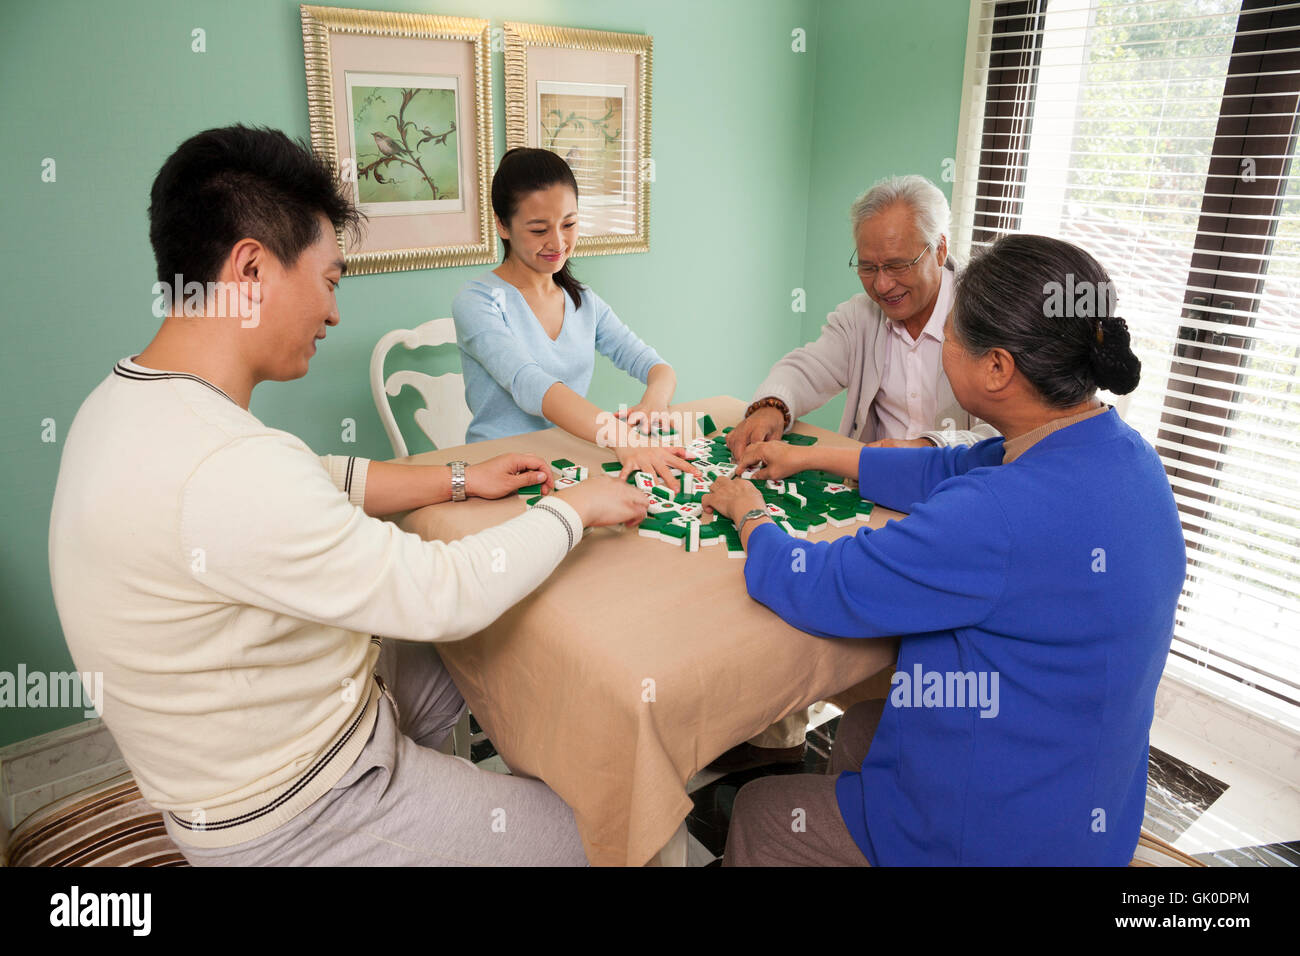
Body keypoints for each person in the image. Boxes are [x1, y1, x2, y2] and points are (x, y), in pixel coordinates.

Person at [48, 125, 649, 866]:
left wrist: (459, 477)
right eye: (330, 281)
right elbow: (443, 592)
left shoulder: (132, 404)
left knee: (489, 650)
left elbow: (314, 474)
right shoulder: (226, 468)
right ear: (250, 268)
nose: (334, 314)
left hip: (292, 730)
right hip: (307, 811)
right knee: (619, 830)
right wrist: (577, 507)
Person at [702, 233, 1187, 865]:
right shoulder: (1123, 452)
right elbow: (950, 468)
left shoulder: (994, 515)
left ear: (997, 368)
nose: (939, 344)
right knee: (860, 729)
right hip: (1088, 803)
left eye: (952, 334)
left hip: (994, 836)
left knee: (764, 813)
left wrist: (751, 513)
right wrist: (815, 454)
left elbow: (823, 583)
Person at [712, 175, 998, 772]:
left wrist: (922, 447)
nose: (882, 283)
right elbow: (809, 365)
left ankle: (887, 754)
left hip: (949, 505)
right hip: (863, 490)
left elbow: (1001, 438)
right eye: (867, 266)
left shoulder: (984, 317)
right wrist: (773, 406)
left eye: (897, 265)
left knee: (872, 625)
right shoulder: (861, 314)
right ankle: (771, 747)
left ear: (940, 250)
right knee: (786, 597)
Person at [453, 147, 698, 492]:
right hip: (496, 472)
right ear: (502, 225)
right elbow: (530, 384)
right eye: (539, 230)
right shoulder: (477, 301)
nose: (558, 242)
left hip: (568, 461)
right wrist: (619, 435)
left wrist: (654, 403)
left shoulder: (583, 301)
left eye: (569, 224)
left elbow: (658, 368)